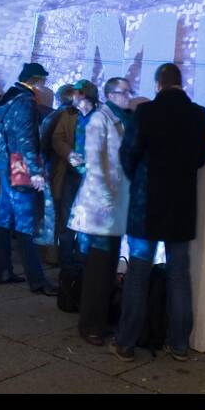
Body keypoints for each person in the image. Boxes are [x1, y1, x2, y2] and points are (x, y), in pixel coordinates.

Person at [113, 63, 205, 362]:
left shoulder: (145, 113)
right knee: (179, 274)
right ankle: (180, 344)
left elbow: (127, 154)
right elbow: (199, 159)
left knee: (139, 274)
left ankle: (126, 342)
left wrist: (140, 180)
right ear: (180, 84)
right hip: (180, 208)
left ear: (158, 85)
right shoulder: (198, 115)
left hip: (146, 207)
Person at [68, 77, 134, 344]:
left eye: (130, 91)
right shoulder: (100, 120)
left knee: (108, 266)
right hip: (102, 207)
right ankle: (91, 324)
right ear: (110, 94)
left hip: (116, 205)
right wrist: (108, 199)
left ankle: (101, 320)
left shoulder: (121, 119)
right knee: (98, 265)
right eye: (124, 92)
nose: (128, 96)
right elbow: (95, 164)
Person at [0, 62, 57, 296]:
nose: (43, 86)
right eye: (42, 81)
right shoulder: (26, 103)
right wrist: (36, 171)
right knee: (26, 224)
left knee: (4, 219)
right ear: (36, 80)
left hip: (5, 163)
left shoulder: (8, 100)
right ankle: (38, 281)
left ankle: (3, 271)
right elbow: (27, 139)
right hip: (20, 166)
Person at [59, 80, 100, 271]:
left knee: (85, 225)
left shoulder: (101, 118)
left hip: (91, 180)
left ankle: (82, 268)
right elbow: (58, 139)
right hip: (72, 175)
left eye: (75, 93)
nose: (71, 96)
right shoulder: (73, 115)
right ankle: (67, 269)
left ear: (84, 95)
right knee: (67, 221)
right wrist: (70, 154)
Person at [39, 84, 78, 264]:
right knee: (64, 214)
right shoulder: (74, 117)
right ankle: (64, 255)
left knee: (54, 213)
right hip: (64, 171)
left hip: (55, 170)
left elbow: (44, 143)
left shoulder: (53, 116)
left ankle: (54, 253)